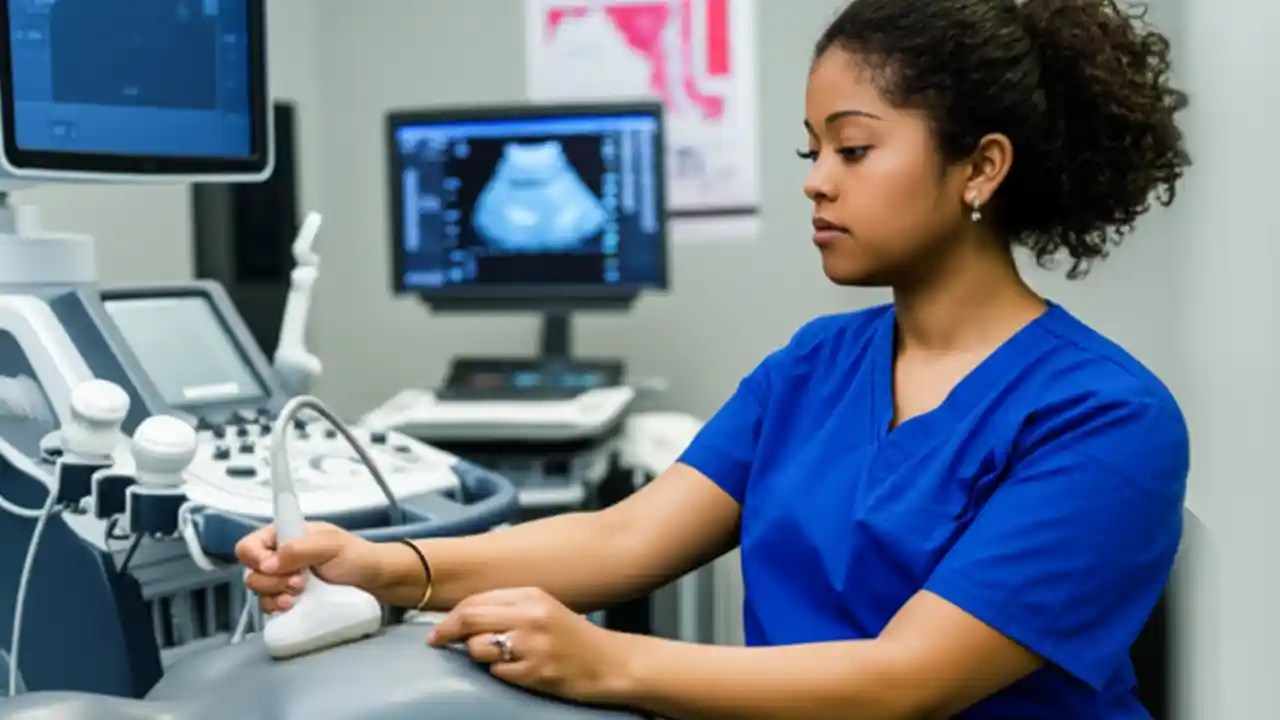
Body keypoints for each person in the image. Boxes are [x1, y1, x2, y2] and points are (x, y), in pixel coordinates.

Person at [237, 0, 1191, 716]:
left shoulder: (1105, 419)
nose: (815, 182)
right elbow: (624, 540)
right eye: (809, 150)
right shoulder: (818, 365)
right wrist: (383, 565)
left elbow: (904, 683)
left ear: (980, 168)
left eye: (853, 151)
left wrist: (607, 664)